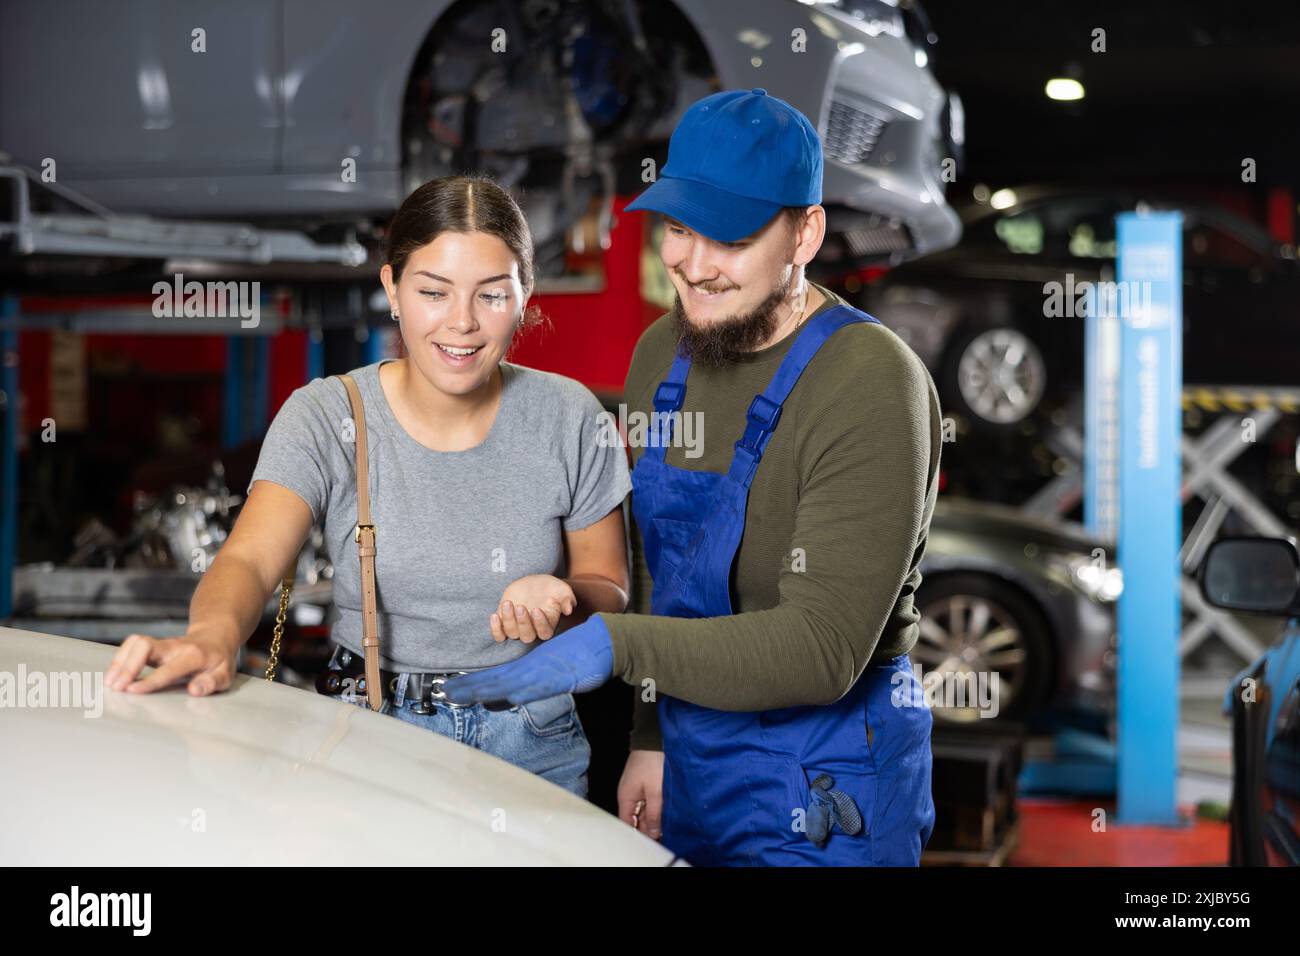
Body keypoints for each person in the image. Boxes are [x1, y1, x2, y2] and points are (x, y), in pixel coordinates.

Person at [444, 90, 942, 864]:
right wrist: (651, 736)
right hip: (692, 749)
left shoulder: (870, 381)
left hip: (829, 770)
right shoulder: (661, 356)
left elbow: (821, 649)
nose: (694, 264)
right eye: (678, 229)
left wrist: (613, 645)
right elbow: (662, 572)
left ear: (804, 232)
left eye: (730, 237)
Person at [102, 176, 632, 798]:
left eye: (490, 295)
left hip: (531, 731)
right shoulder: (327, 415)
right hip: (372, 727)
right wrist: (211, 639)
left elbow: (612, 585)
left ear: (524, 295)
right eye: (433, 292)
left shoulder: (570, 417)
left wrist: (565, 594)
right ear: (392, 289)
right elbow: (248, 559)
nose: (461, 323)